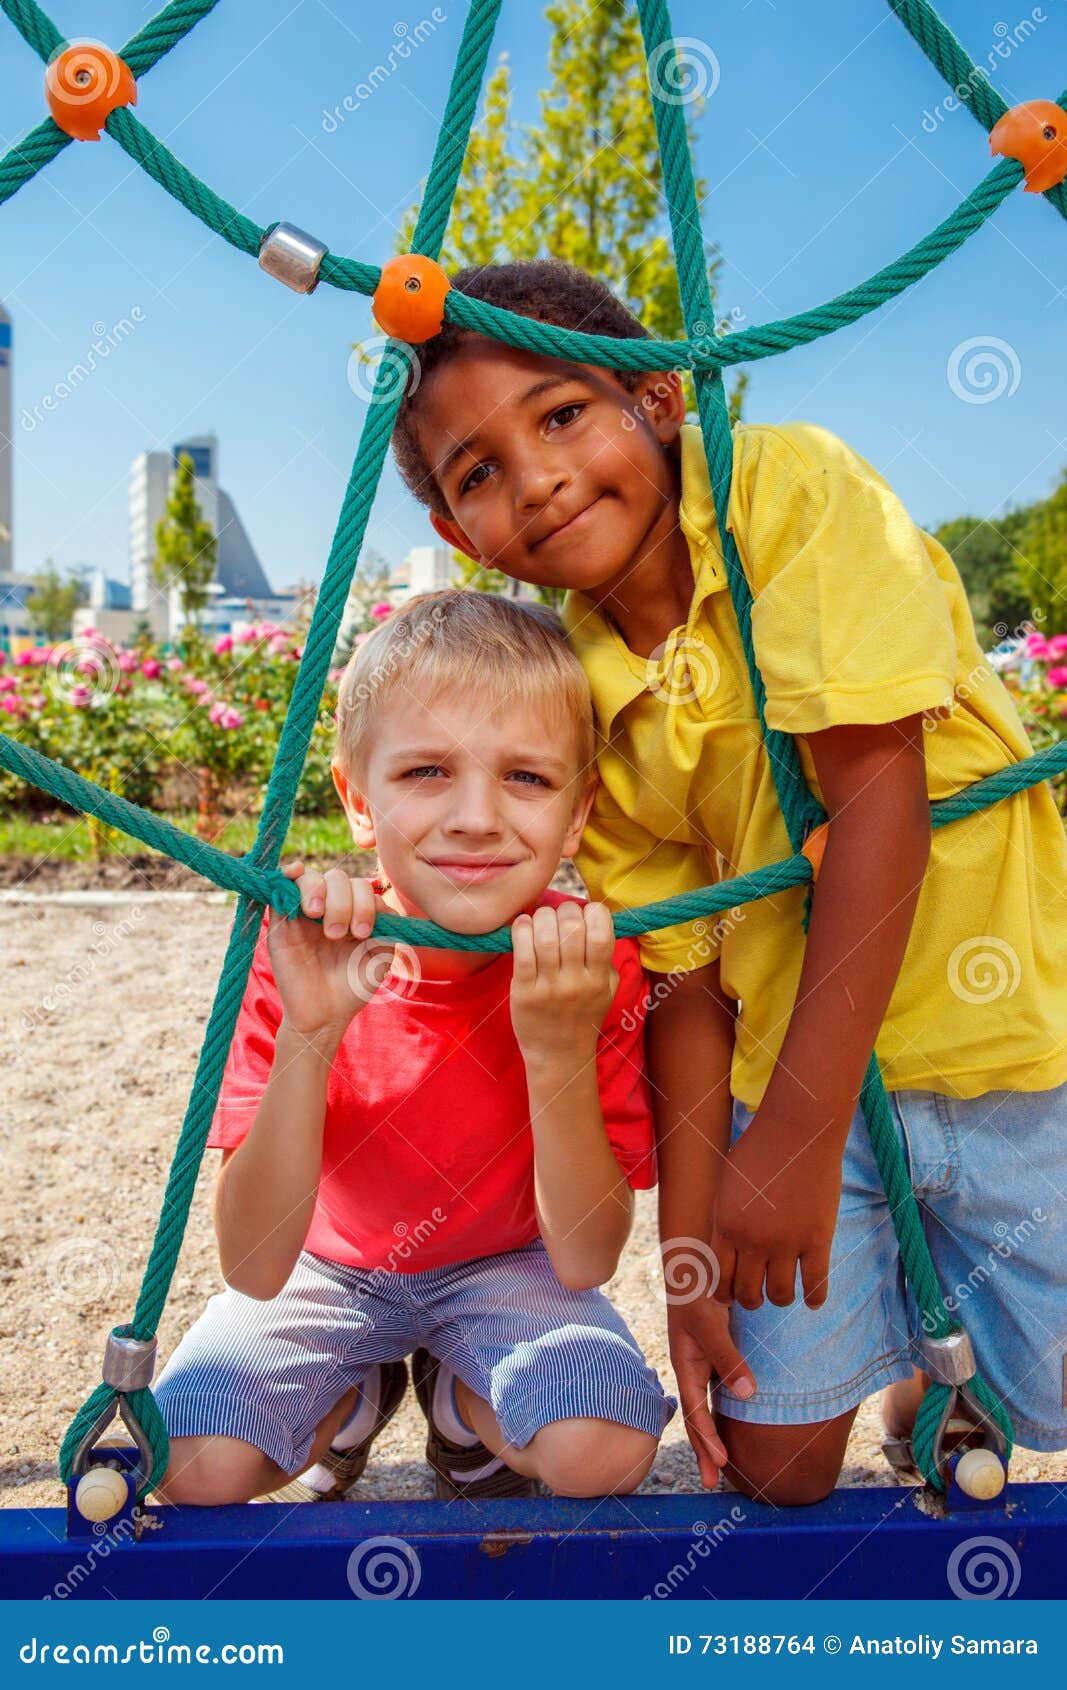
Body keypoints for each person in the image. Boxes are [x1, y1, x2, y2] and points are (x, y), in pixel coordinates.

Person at [388, 255, 1067, 1505]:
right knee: (773, 1464)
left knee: (1050, 1399)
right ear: (452, 531)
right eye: (478, 472)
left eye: (561, 413)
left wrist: (801, 1141)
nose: (534, 475)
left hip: (1006, 1042)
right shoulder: (586, 693)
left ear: (655, 398)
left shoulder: (781, 487)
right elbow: (685, 987)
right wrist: (689, 1260)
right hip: (793, 1064)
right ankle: (911, 1349)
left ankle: (938, 1371)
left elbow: (876, 801)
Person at [152, 591, 678, 1506]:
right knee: (189, 1468)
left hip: (509, 1268)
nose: (476, 816)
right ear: (358, 799)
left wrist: (554, 1050)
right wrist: (314, 1033)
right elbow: (253, 1264)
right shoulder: (308, 945)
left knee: (603, 1450)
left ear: (578, 809)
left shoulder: (587, 959)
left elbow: (588, 1258)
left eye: (527, 778)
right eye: (427, 771)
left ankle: (459, 1403)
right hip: (322, 1270)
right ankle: (353, 1391)